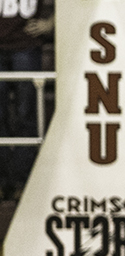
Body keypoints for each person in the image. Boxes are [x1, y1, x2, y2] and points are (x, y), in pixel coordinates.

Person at [0, 0, 53, 201]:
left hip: (26, 45)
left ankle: (23, 181)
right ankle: (4, 181)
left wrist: (50, 23)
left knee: (27, 114)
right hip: (23, 47)